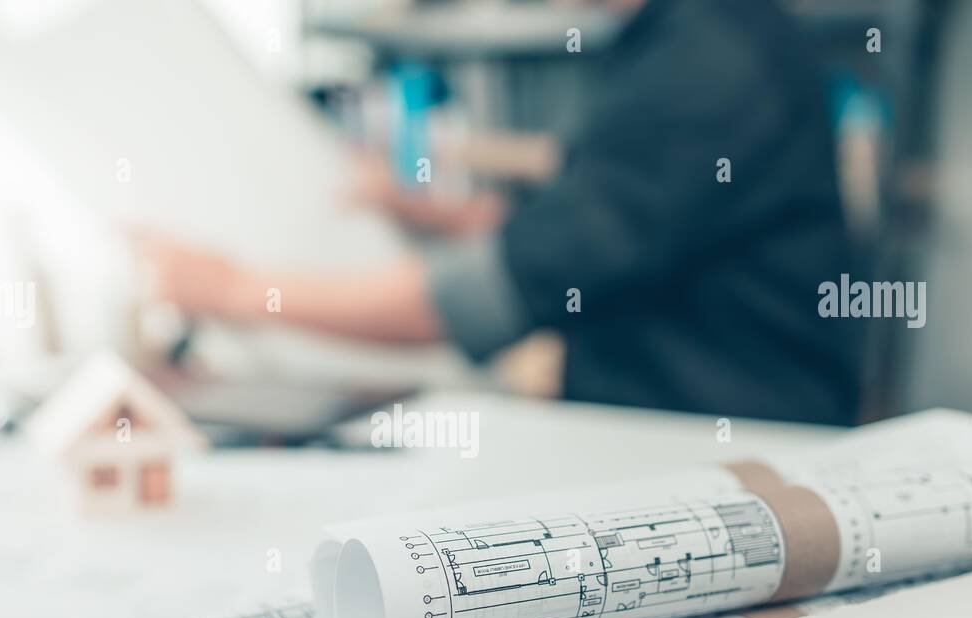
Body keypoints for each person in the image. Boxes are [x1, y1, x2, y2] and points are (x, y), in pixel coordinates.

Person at [135, 0, 863, 426]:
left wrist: (232, 292)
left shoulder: (709, 67)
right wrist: (422, 209)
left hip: (733, 441)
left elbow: (485, 294)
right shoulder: (677, 40)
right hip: (673, 428)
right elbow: (589, 224)